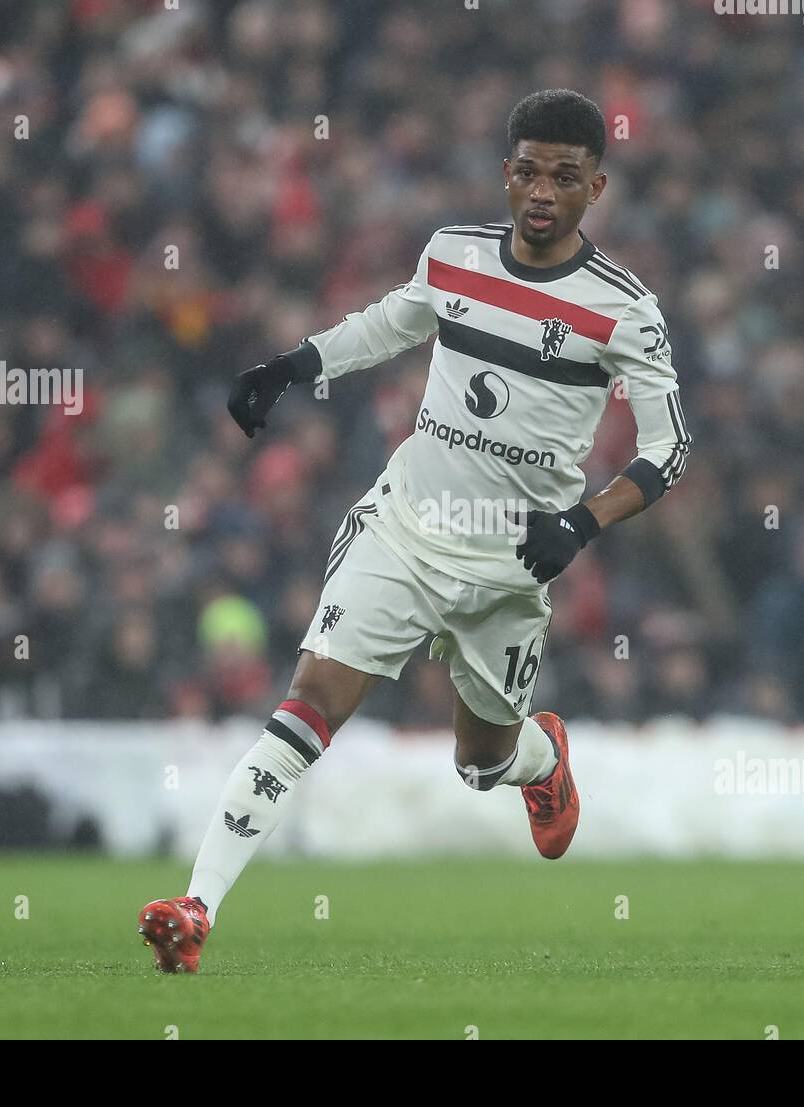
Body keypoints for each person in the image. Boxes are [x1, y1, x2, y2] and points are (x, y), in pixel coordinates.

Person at [138, 89, 690, 972]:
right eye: (528, 172)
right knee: (312, 700)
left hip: (512, 563)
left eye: (565, 176)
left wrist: (580, 524)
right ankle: (196, 906)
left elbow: (668, 453)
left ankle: (541, 760)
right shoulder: (455, 255)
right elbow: (390, 323)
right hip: (405, 527)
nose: (541, 191)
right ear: (506, 174)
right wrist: (290, 364)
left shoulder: (625, 309)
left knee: (479, 764)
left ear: (596, 188)